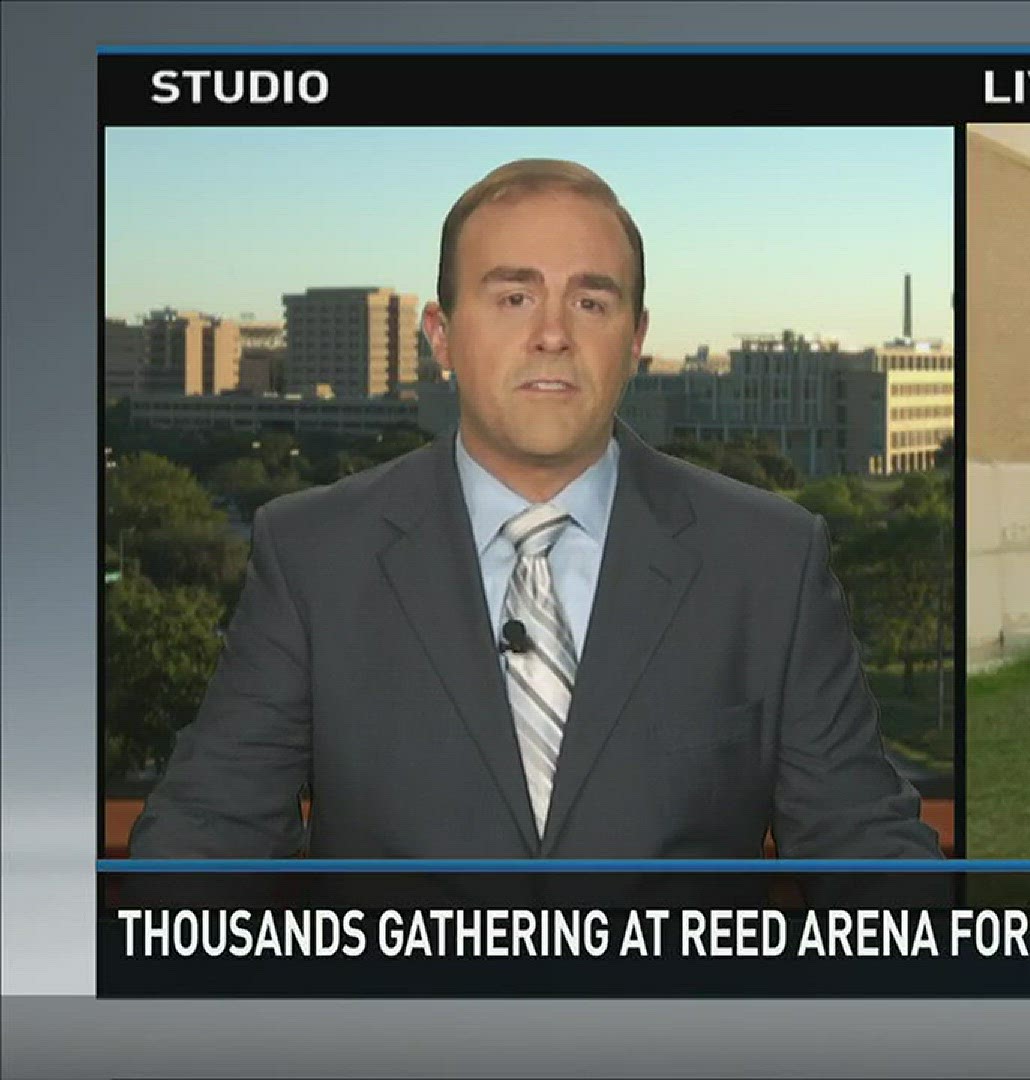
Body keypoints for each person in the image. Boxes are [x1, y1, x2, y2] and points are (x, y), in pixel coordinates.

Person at [130, 159, 941, 861]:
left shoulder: (769, 560)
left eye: (590, 302)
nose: (552, 334)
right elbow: (207, 835)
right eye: (514, 298)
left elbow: (864, 846)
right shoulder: (312, 553)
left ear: (634, 338)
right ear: (441, 336)